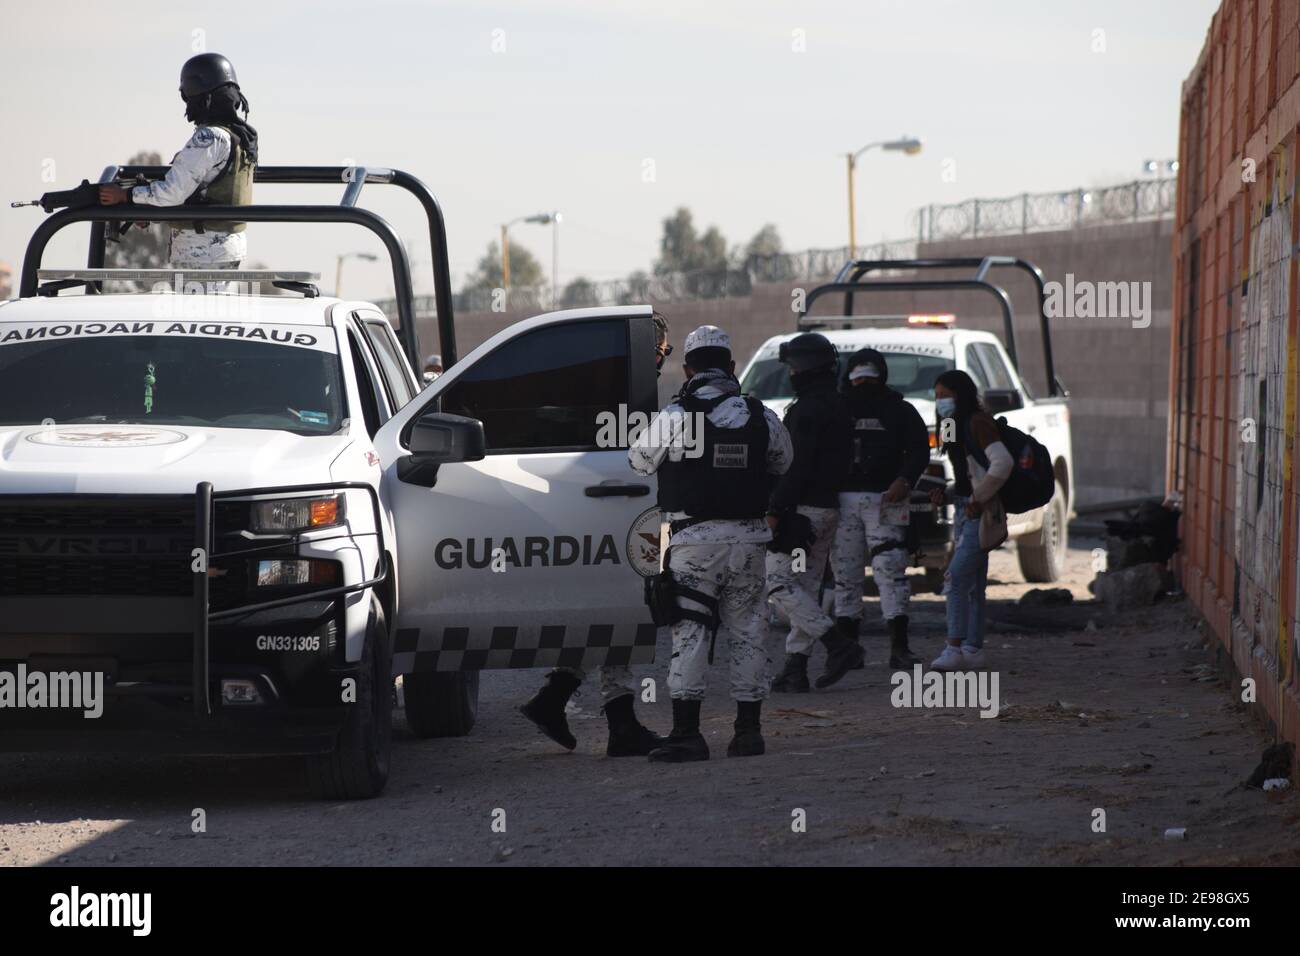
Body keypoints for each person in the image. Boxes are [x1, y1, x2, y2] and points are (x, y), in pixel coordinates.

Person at [629, 325, 792, 762]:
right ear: (732, 367)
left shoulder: (675, 416)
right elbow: (783, 460)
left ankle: (687, 735)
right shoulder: (761, 415)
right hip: (749, 541)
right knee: (748, 633)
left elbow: (639, 460)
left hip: (694, 545)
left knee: (690, 635)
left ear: (687, 369)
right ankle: (748, 733)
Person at [519, 313, 672, 756]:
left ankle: (560, 700)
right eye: (661, 352)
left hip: (594, 513)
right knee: (621, 614)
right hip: (606, 515)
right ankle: (612, 722)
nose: (663, 361)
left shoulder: (598, 387)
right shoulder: (626, 394)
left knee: (608, 616)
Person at [99, 53, 257, 282]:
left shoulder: (209, 137)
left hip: (202, 251)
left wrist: (126, 196)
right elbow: (200, 190)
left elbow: (173, 191)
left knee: (197, 314)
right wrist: (150, 209)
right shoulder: (239, 136)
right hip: (219, 246)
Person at [766, 333, 857, 693]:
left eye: (792, 366)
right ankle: (796, 667)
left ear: (804, 367)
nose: (789, 372)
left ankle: (838, 644)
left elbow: (796, 467)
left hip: (802, 513)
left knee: (777, 581)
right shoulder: (837, 404)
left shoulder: (807, 409)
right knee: (805, 587)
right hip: (827, 510)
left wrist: (776, 510)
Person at [831, 348, 931, 670]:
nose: (863, 384)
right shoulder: (835, 408)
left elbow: (919, 450)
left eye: (869, 378)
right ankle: (849, 650)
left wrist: (905, 479)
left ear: (881, 377)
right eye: (858, 378)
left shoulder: (900, 410)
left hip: (888, 498)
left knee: (890, 571)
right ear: (848, 377)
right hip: (843, 501)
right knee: (845, 575)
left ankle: (898, 649)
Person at [927, 369, 1011, 671]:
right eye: (936, 397)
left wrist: (978, 499)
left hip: (980, 512)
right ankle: (973, 650)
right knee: (973, 583)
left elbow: (1002, 463)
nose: (940, 403)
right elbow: (966, 476)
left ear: (960, 395)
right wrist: (948, 494)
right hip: (965, 509)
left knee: (955, 577)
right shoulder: (953, 426)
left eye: (945, 396)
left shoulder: (977, 422)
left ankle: (954, 647)